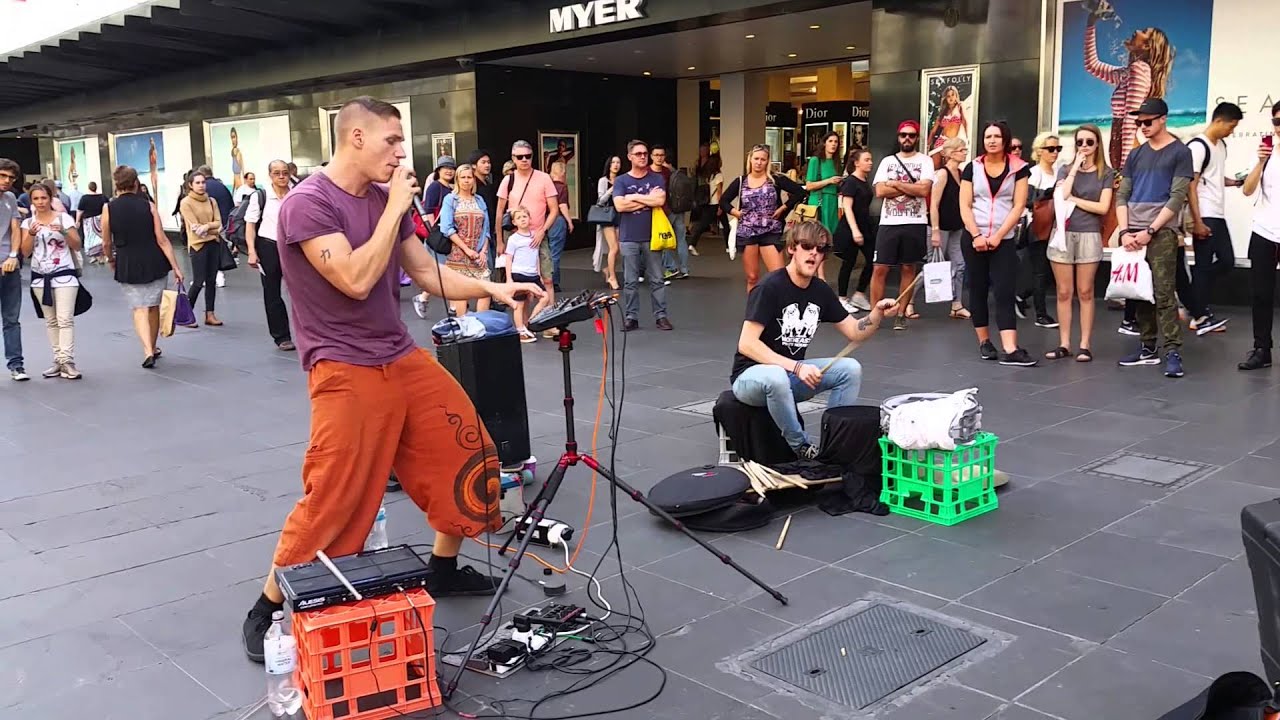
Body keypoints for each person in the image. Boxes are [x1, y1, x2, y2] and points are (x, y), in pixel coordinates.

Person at [240, 96, 542, 663]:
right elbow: (354, 278)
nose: (401, 152)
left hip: (399, 355)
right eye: (391, 142)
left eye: (401, 142)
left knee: (467, 452)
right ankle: (269, 605)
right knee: (335, 493)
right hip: (342, 364)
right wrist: (390, 210)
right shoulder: (307, 205)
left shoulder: (386, 199)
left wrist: (494, 290)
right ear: (355, 138)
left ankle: (443, 570)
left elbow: (423, 270)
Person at [731, 221, 898, 459]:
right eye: (807, 246)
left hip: (790, 377)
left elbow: (854, 331)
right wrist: (797, 367)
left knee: (850, 369)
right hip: (750, 379)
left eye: (820, 249)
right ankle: (801, 447)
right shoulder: (770, 286)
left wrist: (877, 313)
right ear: (792, 248)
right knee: (775, 376)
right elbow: (747, 344)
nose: (814, 253)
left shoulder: (820, 290)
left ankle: (834, 445)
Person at [1115, 98, 1193, 379]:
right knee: (1139, 291)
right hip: (1132, 230)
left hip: (1161, 232)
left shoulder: (1180, 152)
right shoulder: (1136, 155)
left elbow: (1177, 196)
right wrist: (1125, 231)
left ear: (1163, 119)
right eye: (1139, 122)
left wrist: (1150, 231)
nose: (1143, 126)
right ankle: (1148, 347)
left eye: (1148, 121)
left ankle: (1172, 350)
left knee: (1163, 292)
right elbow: (1122, 192)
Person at [959, 120, 1036, 367]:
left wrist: (999, 235)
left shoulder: (1019, 168)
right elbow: (965, 204)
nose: (991, 140)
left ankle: (1010, 347)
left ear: (1005, 140)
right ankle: (984, 342)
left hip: (1003, 238)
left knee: (1004, 290)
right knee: (978, 289)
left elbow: (1019, 205)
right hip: (974, 236)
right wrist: (976, 235)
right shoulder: (972, 167)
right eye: (987, 136)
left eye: (996, 136)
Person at [101, 165, 184, 367]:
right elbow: (162, 239)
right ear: (136, 183)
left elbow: (106, 241)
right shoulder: (148, 206)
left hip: (127, 260)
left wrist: (110, 259)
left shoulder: (108, 208)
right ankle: (153, 346)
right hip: (154, 259)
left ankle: (147, 349)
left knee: (138, 308)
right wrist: (176, 266)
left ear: (116, 184)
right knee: (153, 306)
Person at [1046, 124, 1114, 363]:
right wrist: (1075, 166)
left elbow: (1102, 207)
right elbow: (1061, 195)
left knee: (1085, 291)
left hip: (1088, 234)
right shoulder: (1065, 169)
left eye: (1089, 142)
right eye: (1080, 142)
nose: (1084, 146)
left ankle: (1085, 343)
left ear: (1097, 144)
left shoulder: (1105, 173)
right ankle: (1064, 343)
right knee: (1064, 292)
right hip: (1063, 233)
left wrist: (1075, 198)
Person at [1083, 9, 1173, 171]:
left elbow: (1131, 121)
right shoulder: (1128, 73)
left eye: (1144, 32)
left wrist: (1125, 168)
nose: (1137, 31)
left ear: (1146, 46)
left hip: (1129, 153)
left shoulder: (1139, 70)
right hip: (1124, 150)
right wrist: (1091, 24)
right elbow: (1092, 66)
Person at [1185, 102, 1244, 336]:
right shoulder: (1198, 147)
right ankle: (1199, 313)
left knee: (1226, 261)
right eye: (1231, 126)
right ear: (1219, 121)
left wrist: (1236, 182)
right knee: (1202, 265)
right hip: (1205, 214)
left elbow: (1215, 177)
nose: (1232, 131)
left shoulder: (1221, 146)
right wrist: (1196, 221)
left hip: (1217, 213)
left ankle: (1192, 301)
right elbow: (1191, 185)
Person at [720, 144, 809, 294]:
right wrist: (736, 212)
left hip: (770, 231)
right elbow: (724, 201)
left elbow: (800, 192)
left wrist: (783, 208)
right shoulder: (741, 181)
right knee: (752, 277)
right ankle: (754, 312)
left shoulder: (775, 179)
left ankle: (779, 311)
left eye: (763, 159)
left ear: (767, 162)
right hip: (748, 233)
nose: (759, 162)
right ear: (750, 160)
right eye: (756, 159)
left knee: (779, 277)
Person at [871, 120, 933, 329]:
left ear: (917, 138)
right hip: (889, 222)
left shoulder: (925, 161)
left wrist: (896, 184)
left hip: (915, 221)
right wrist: (912, 187)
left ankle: (900, 314)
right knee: (880, 268)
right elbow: (880, 191)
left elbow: (925, 191)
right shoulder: (887, 161)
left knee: (909, 268)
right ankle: (874, 315)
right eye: (904, 135)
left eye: (912, 135)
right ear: (898, 137)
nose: (907, 138)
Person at [19, 182, 83, 379]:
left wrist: (63, 231)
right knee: (51, 321)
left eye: (43, 198)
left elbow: (77, 245)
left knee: (65, 319)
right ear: (31, 201)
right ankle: (58, 359)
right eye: (36, 199)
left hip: (64, 274)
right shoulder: (28, 223)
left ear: (50, 198)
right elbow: (26, 251)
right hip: (40, 277)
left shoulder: (64, 218)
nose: (40, 202)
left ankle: (67, 360)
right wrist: (30, 234)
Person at [495, 140, 560, 325]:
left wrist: (542, 231)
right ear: (513, 158)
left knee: (547, 278)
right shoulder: (508, 180)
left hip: (538, 234)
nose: (524, 160)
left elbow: (553, 209)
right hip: (514, 236)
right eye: (520, 157)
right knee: (519, 282)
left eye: (528, 156)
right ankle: (523, 325)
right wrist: (500, 240)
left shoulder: (544, 178)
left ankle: (548, 322)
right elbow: (500, 211)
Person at [1237, 100, 1280, 371]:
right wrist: (1261, 161)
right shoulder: (1267, 154)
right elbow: (1247, 190)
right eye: (1276, 122)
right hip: (1264, 230)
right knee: (1260, 293)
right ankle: (1262, 348)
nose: (1279, 127)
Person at [612, 139, 672, 331]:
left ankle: (661, 316)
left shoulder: (656, 178)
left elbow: (660, 199)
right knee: (630, 281)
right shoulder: (621, 180)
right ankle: (631, 317)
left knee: (657, 278)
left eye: (645, 153)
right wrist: (648, 200)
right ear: (629, 157)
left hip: (652, 235)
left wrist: (634, 197)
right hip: (628, 237)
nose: (643, 157)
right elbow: (619, 205)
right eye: (638, 154)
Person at [244, 160, 295, 351]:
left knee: (301, 291)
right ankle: (281, 336)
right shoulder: (261, 196)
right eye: (276, 173)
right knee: (272, 292)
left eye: (284, 173)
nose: (281, 176)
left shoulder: (296, 192)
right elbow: (250, 224)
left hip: (293, 247)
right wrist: (251, 251)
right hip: (268, 246)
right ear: (270, 175)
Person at [1017, 133, 1062, 329]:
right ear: (1039, 151)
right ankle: (1041, 313)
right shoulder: (1034, 173)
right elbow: (1028, 200)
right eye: (1051, 149)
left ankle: (1021, 294)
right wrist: (1051, 192)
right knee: (1040, 271)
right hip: (1038, 226)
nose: (1055, 153)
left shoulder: (1058, 172)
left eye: (1057, 149)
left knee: (1045, 270)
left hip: (1055, 226)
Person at [439, 163, 492, 317]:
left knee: (485, 290)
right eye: (463, 177)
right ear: (457, 179)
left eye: (469, 177)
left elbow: (486, 229)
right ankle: (464, 325)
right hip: (458, 253)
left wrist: (483, 251)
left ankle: (481, 324)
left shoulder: (480, 200)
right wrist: (466, 249)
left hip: (478, 251)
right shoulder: (451, 199)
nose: (467, 180)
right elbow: (447, 228)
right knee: (462, 292)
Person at [928, 137, 971, 320]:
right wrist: (935, 230)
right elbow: (934, 204)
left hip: (957, 226)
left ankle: (956, 304)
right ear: (952, 153)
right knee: (933, 266)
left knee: (959, 265)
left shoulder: (961, 173)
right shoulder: (942, 174)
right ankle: (909, 301)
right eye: (962, 150)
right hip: (942, 226)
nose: (965, 153)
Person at [179, 172, 225, 327]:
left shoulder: (211, 201)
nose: (201, 185)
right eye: (197, 183)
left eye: (203, 182)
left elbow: (219, 223)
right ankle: (187, 314)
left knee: (211, 280)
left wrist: (207, 227)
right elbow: (194, 228)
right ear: (190, 185)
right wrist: (208, 228)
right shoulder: (186, 203)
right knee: (198, 281)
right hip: (198, 245)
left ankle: (210, 314)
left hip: (214, 243)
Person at [834, 148, 876, 313]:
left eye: (870, 159)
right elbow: (847, 207)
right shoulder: (850, 182)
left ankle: (859, 294)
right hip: (851, 228)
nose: (870, 162)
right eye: (867, 159)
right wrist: (855, 231)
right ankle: (842, 298)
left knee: (873, 260)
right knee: (848, 263)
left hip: (865, 226)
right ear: (856, 163)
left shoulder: (864, 181)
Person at [505, 207, 550, 343]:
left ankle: (530, 322)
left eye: (525, 216)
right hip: (519, 274)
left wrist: (539, 273)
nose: (522, 219)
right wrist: (509, 278)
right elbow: (508, 258)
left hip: (533, 274)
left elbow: (535, 255)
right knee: (519, 303)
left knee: (544, 297)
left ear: (530, 219)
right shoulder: (513, 239)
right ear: (514, 222)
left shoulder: (534, 236)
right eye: (519, 218)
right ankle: (520, 330)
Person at [0, 159, 26, 381]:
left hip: (8, 267)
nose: (6, 181)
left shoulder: (9, 199)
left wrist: (12, 255)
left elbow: (15, 228)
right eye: (2, 176)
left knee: (11, 318)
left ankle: (16, 365)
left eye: (10, 178)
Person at [805, 132, 844, 237]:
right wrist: (829, 181)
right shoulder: (815, 160)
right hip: (819, 201)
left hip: (832, 201)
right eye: (830, 141)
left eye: (836, 142)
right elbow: (809, 186)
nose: (833, 144)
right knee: (818, 235)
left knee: (831, 235)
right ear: (824, 143)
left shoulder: (837, 162)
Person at [594, 155, 621, 290]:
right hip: (607, 217)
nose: (616, 165)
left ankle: (607, 269)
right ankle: (612, 277)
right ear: (609, 165)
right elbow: (600, 200)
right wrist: (611, 189)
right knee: (614, 247)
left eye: (618, 162)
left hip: (619, 216)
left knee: (620, 249)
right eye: (613, 162)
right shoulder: (603, 181)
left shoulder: (622, 180)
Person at [548, 160, 573, 291]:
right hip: (557, 220)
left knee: (546, 251)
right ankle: (554, 281)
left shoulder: (548, 186)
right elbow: (562, 205)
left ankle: (545, 278)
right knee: (555, 252)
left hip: (546, 220)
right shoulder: (562, 187)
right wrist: (569, 221)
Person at [928, 85, 969, 155]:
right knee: (936, 163)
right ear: (945, 98)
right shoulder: (943, 112)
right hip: (942, 140)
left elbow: (965, 122)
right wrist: (928, 144)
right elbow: (933, 131)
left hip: (953, 142)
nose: (951, 98)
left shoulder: (959, 107)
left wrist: (967, 138)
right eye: (948, 96)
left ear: (956, 96)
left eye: (953, 95)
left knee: (949, 164)